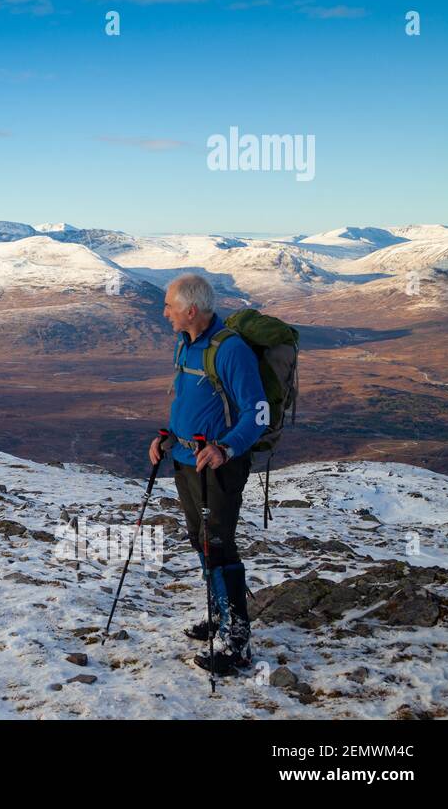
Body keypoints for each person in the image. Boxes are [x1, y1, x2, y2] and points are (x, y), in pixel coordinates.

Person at [149, 273, 266, 675]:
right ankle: (218, 617)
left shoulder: (230, 351)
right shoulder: (184, 344)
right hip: (185, 460)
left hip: (217, 466)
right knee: (201, 541)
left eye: (169, 306)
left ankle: (237, 641)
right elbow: (189, 401)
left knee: (218, 544)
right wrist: (166, 436)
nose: (164, 313)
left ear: (191, 310)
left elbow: (258, 413)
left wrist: (226, 448)